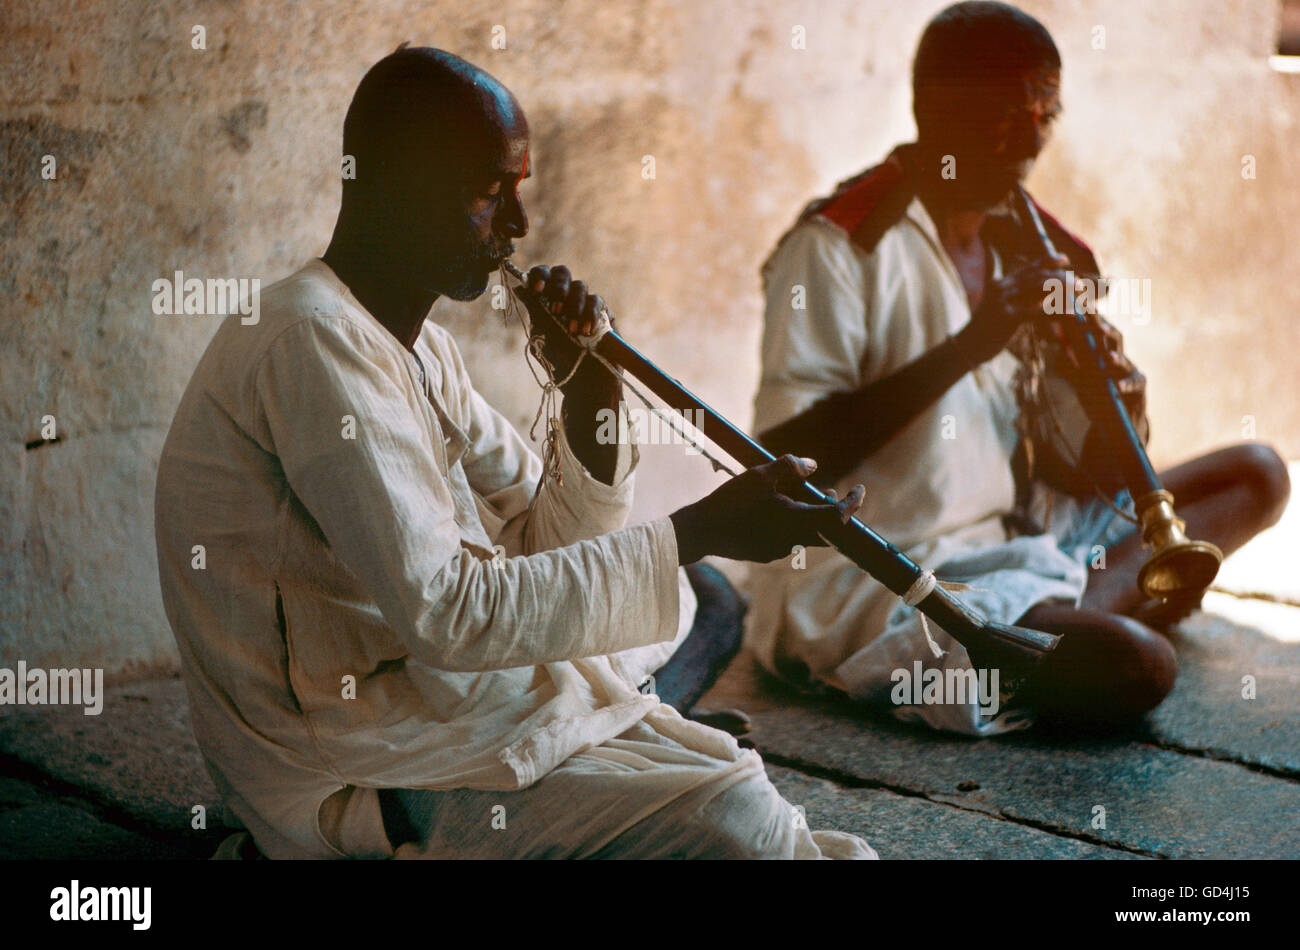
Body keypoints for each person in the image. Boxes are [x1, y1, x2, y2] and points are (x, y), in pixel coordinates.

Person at [154, 46, 875, 859]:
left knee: (706, 601)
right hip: (355, 761)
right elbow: (450, 614)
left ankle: (595, 739)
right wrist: (697, 527)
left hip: (455, 705)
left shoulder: (420, 348)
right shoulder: (311, 340)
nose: (520, 227)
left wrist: (590, 399)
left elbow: (551, 549)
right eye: (492, 194)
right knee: (739, 821)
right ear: (395, 188)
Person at [746, 1, 1290, 734]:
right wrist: (976, 341)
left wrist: (1118, 404)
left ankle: (1054, 619)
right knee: (1140, 665)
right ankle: (1081, 614)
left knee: (1256, 473)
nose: (1033, 140)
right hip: (881, 566)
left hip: (1013, 533)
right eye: (1009, 114)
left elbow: (1073, 473)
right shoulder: (837, 246)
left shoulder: (1026, 245)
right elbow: (785, 462)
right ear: (935, 107)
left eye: (1046, 114)